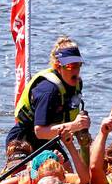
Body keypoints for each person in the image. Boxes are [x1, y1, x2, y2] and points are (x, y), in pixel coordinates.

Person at [8, 37, 97, 166]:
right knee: (25, 179)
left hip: (49, 139)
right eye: (70, 66)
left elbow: (71, 117)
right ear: (57, 66)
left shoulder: (77, 84)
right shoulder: (48, 91)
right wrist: (75, 125)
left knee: (68, 175)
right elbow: (40, 132)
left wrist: (85, 138)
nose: (76, 70)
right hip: (23, 139)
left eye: (78, 65)